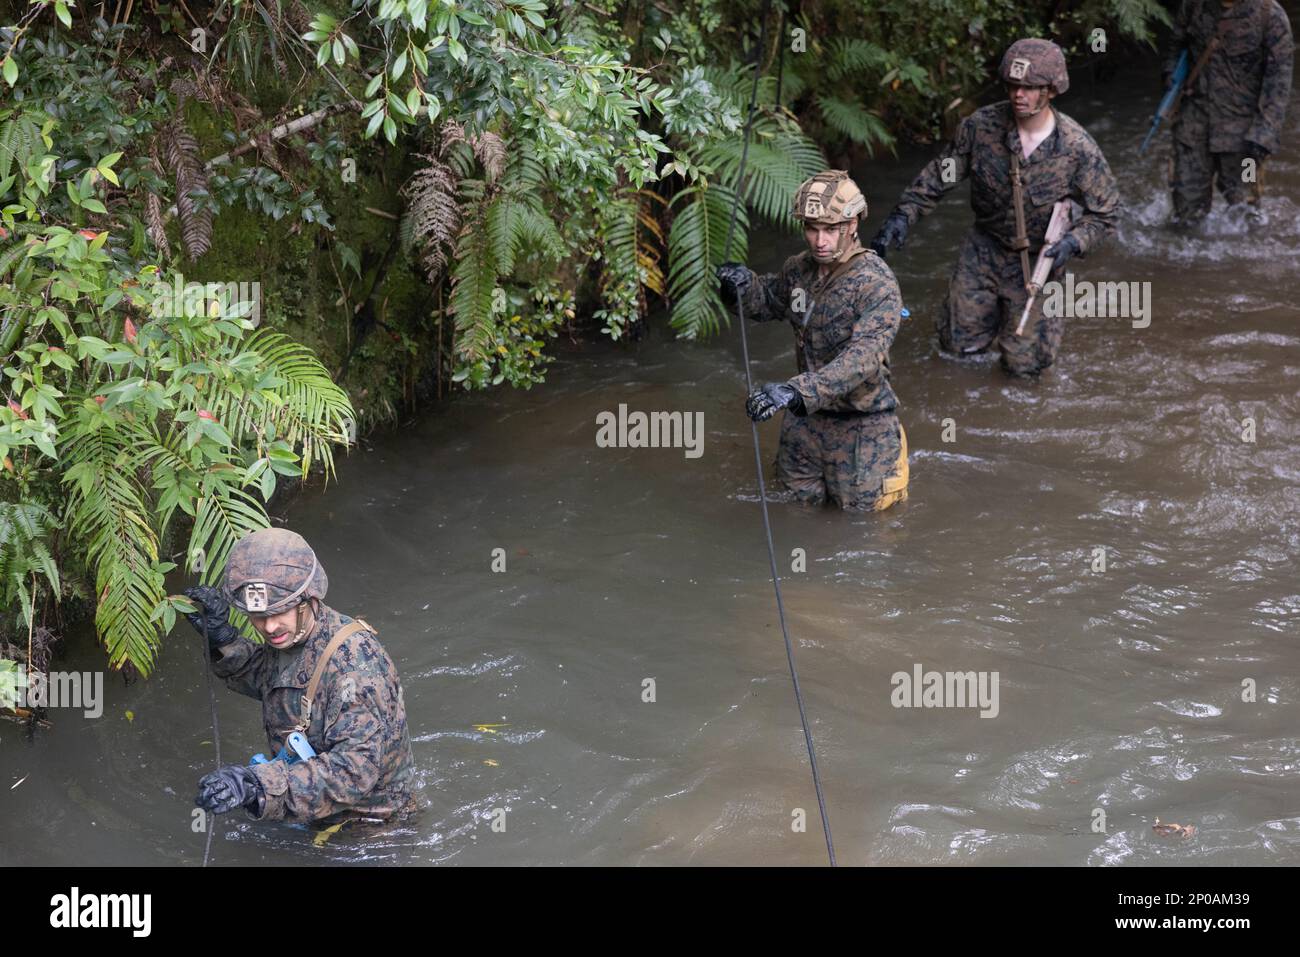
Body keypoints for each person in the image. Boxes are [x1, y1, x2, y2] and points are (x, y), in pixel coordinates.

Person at [872, 39, 1120, 377]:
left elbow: (1105, 216)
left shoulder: (1077, 149)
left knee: (1025, 366)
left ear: (1051, 90)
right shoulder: (981, 127)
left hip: (1038, 263)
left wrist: (1074, 243)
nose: (1019, 94)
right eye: (1013, 85)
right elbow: (942, 174)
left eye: (1030, 87)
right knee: (957, 350)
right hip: (983, 251)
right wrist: (903, 215)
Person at [184, 527, 416, 826]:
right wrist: (224, 639)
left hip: (371, 829)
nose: (269, 627)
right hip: (312, 809)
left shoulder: (356, 671)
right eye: (259, 616)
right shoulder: (297, 636)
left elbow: (352, 772)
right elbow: (277, 683)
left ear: (308, 600)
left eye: (279, 613)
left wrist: (256, 784)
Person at [716, 170, 909, 512]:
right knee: (795, 516)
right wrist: (738, 288)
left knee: (863, 532)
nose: (820, 240)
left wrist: (793, 391)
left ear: (852, 225)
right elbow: (768, 300)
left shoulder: (876, 283)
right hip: (804, 426)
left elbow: (862, 360)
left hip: (863, 430)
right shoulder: (799, 269)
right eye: (811, 228)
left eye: (830, 230)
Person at [1164, 0, 1293, 225]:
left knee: (1248, 219)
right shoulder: (1193, 6)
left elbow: (1278, 87)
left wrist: (1263, 138)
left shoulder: (1270, 16)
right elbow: (1175, 45)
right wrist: (1170, 78)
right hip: (1193, 130)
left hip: (1247, 140)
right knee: (1184, 219)